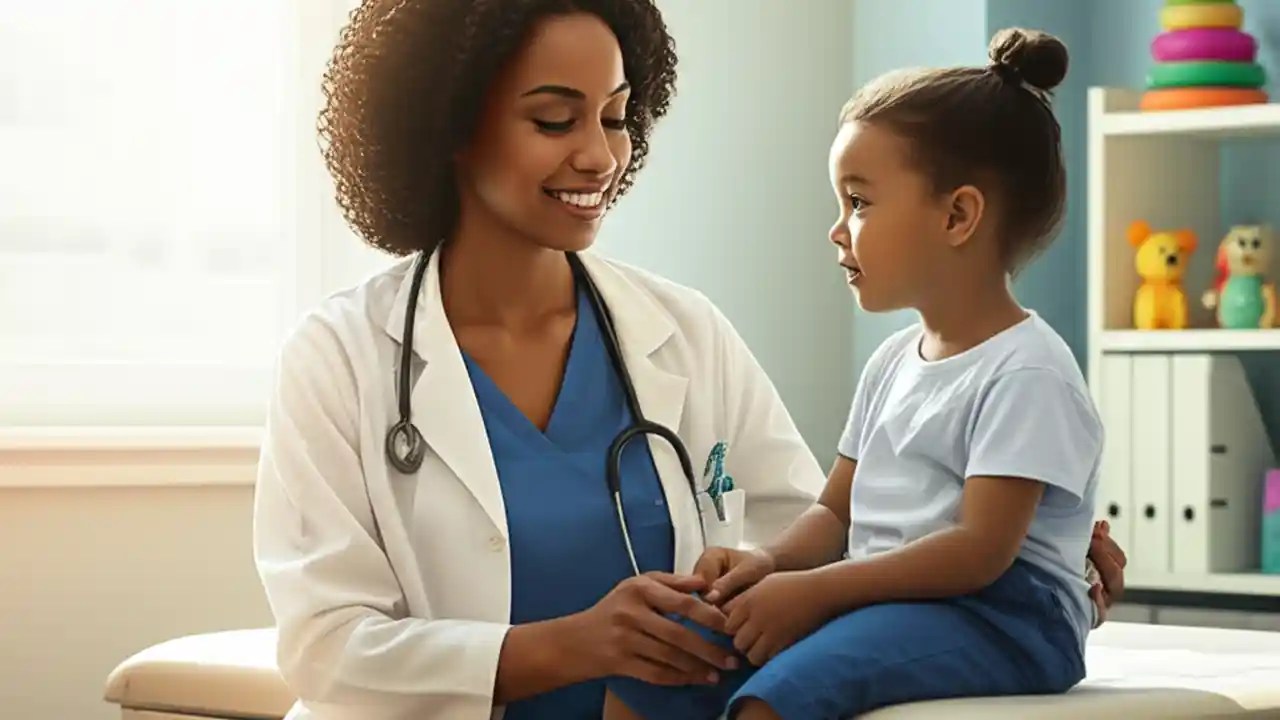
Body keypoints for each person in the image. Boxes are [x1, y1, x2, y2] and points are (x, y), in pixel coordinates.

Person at [250, 2, 1128, 718]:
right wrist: (567, 645)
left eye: (615, 117)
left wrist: (1030, 531)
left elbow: (814, 535)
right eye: (553, 118)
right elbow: (325, 645)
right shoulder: (341, 359)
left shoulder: (681, 331)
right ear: (447, 125)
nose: (599, 154)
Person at [604, 26, 1111, 720]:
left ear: (958, 215)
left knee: (779, 696)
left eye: (860, 202)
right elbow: (834, 511)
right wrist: (771, 567)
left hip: (1004, 616)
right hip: (889, 600)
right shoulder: (892, 364)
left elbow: (979, 552)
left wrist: (820, 593)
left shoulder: (1029, 372)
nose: (837, 229)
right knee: (665, 659)